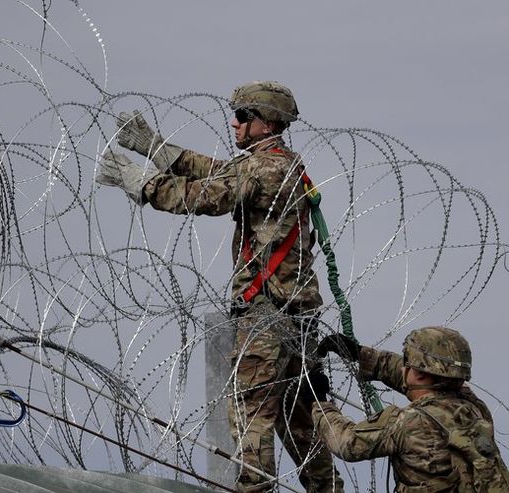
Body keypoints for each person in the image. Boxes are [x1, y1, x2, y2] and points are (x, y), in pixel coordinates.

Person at [96, 82, 343, 492]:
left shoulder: (263, 170)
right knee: (297, 417)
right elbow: (218, 171)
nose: (234, 122)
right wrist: (156, 148)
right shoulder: (280, 165)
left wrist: (141, 184)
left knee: (250, 411)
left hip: (266, 316)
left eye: (244, 116)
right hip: (296, 317)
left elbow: (205, 196)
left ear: (267, 124)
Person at [312, 327, 509, 491]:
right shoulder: (474, 408)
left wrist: (320, 403)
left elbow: (347, 443)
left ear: (420, 374)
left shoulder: (409, 423)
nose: (403, 367)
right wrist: (362, 355)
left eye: (407, 362)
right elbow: (426, 379)